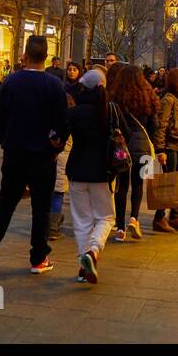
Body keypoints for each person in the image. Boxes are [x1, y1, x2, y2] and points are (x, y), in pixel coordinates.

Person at [0, 35, 69, 276]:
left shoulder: (11, 82)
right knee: (41, 206)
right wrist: (55, 147)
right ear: (46, 56)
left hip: (15, 152)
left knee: (6, 200)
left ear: (25, 55)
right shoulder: (54, 85)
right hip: (42, 156)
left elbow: (0, 116)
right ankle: (38, 257)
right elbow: (62, 122)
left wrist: (4, 139)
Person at [66, 69, 116, 283]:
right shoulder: (110, 111)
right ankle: (93, 252)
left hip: (77, 169)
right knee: (106, 217)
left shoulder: (75, 112)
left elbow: (60, 135)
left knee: (82, 219)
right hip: (102, 171)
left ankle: (83, 262)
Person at [107, 63, 156, 239]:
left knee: (122, 185)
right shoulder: (148, 96)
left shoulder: (116, 98)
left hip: (123, 148)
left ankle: (120, 228)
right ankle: (134, 218)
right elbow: (154, 125)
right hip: (144, 148)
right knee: (138, 184)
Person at [151, 67, 178, 233]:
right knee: (168, 183)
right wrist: (160, 149)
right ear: (177, 82)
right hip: (168, 146)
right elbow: (162, 125)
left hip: (177, 145)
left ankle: (175, 215)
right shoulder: (168, 100)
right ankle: (159, 217)